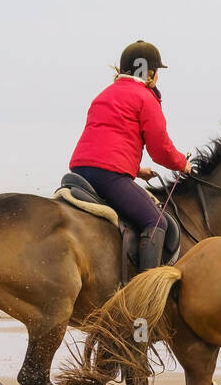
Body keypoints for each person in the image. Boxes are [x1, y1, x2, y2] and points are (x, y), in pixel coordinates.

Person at [68, 40, 192, 270]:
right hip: (108, 176)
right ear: (151, 74)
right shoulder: (145, 98)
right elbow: (160, 149)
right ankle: (145, 292)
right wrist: (182, 164)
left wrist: (136, 170)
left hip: (80, 171)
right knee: (156, 222)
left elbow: (102, 143)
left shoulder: (104, 94)